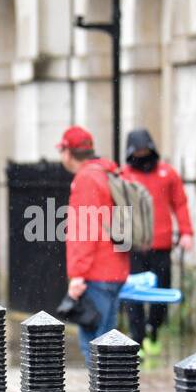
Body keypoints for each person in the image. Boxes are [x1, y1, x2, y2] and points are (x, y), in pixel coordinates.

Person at [58, 125, 128, 367]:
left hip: (96, 274)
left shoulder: (86, 179)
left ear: (68, 152)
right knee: (108, 343)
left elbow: (83, 231)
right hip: (116, 269)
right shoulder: (109, 173)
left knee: (94, 346)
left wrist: (77, 275)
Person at [120, 128, 193, 354]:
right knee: (134, 296)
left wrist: (186, 232)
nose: (142, 154)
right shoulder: (123, 176)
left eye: (145, 149)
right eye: (138, 150)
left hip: (161, 246)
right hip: (134, 246)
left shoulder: (168, 174)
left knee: (161, 291)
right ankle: (138, 338)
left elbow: (179, 203)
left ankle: (154, 327)